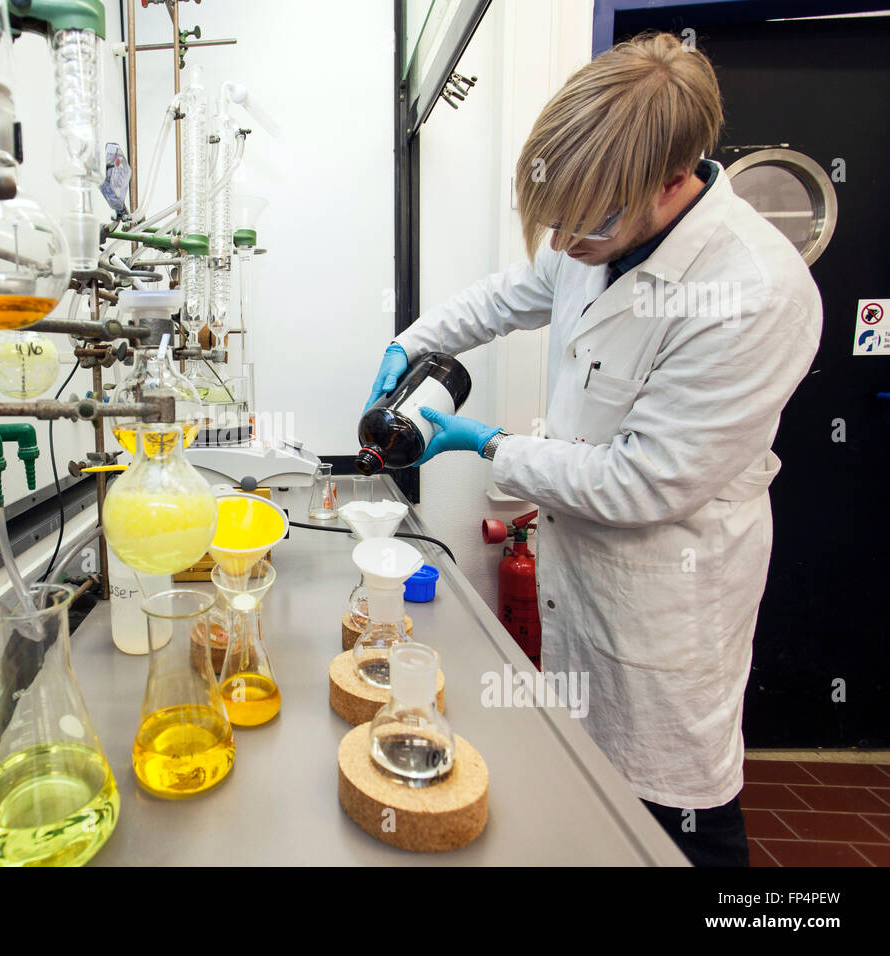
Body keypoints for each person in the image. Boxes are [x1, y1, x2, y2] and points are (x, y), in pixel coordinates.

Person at [364, 32, 822, 866]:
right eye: (556, 222)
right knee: (590, 807)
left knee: (672, 822)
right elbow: (508, 295)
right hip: (582, 585)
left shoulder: (756, 292)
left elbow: (644, 484)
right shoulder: (595, 231)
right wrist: (410, 344)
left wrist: (485, 441)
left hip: (667, 614)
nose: (568, 243)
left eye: (589, 224)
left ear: (674, 181)